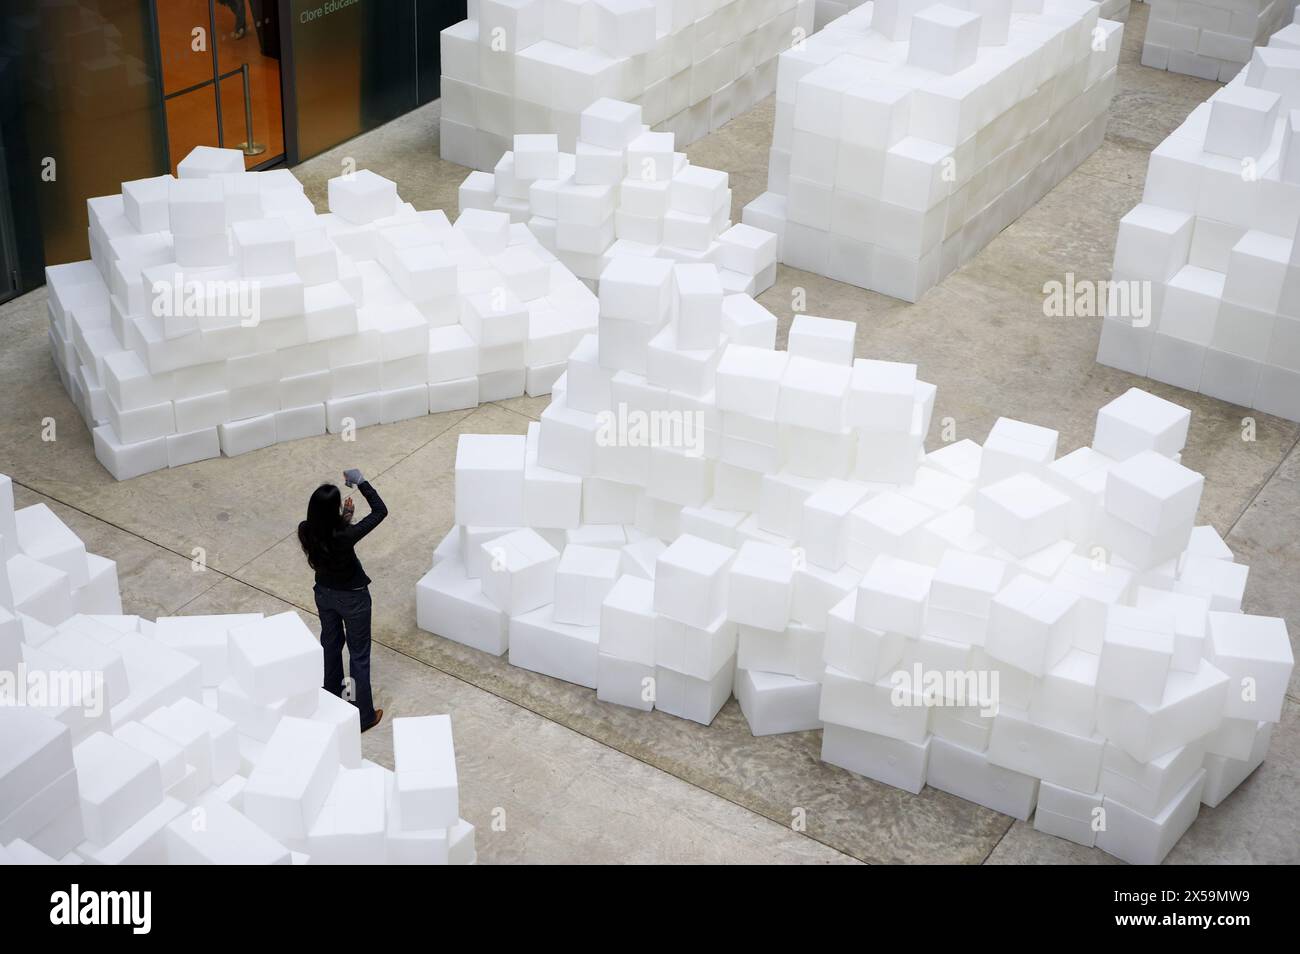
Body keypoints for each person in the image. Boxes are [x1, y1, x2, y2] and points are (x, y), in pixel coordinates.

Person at [298, 469, 387, 731]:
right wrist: (361, 483)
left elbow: (329, 538)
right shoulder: (345, 536)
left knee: (331, 644)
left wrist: (345, 518)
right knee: (358, 655)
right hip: (353, 598)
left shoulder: (306, 530)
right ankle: (363, 717)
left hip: (324, 594)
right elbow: (380, 511)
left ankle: (331, 700)